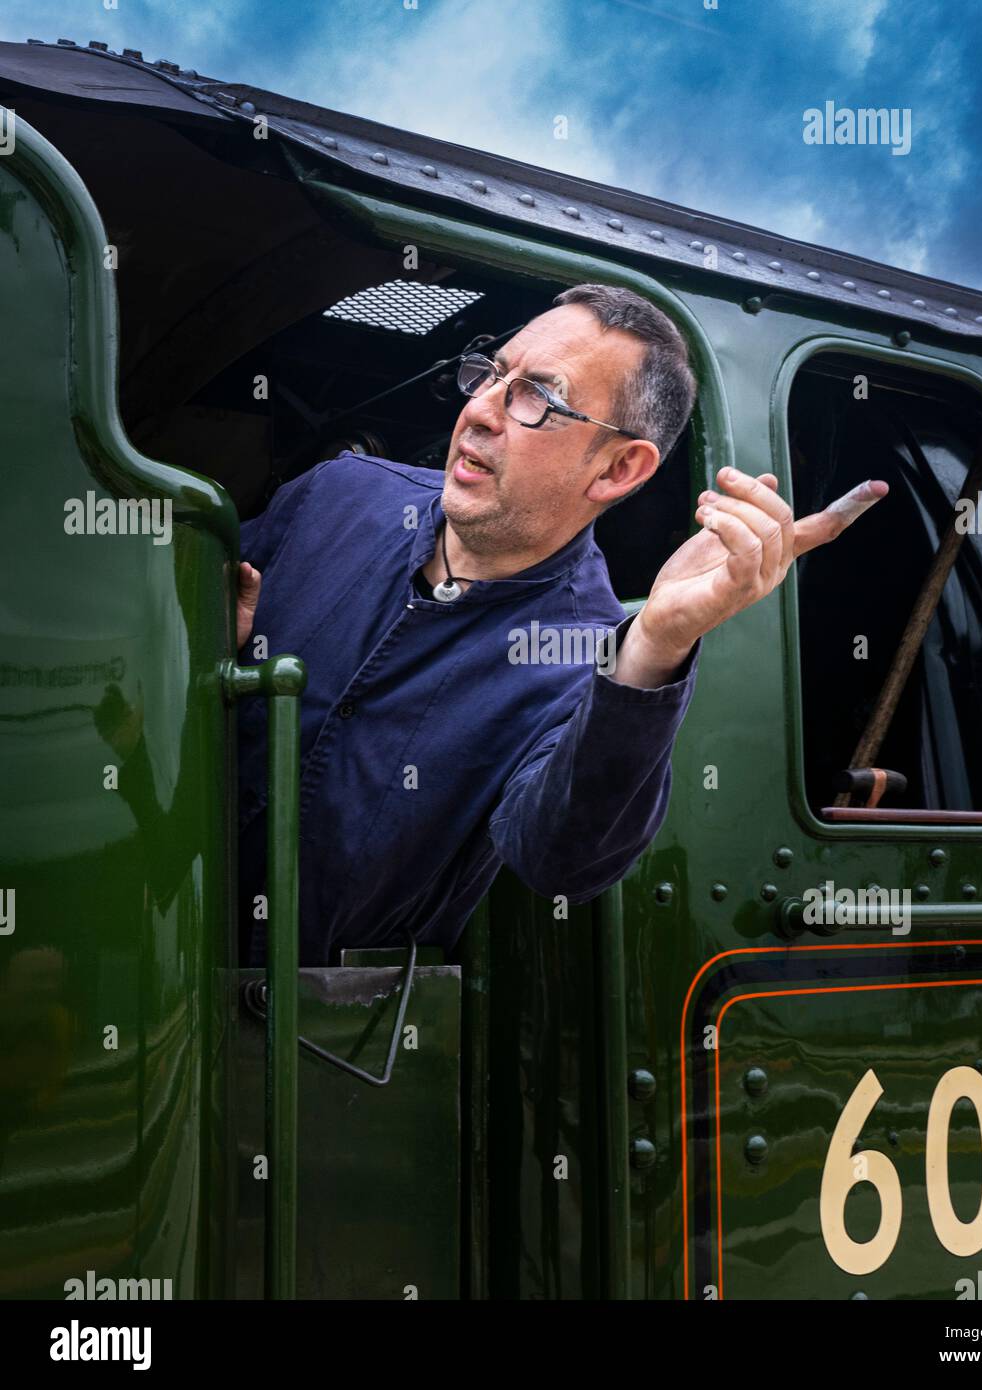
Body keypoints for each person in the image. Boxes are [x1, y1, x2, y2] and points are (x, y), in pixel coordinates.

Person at [235, 283, 885, 965]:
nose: (481, 410)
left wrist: (658, 642)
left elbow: (563, 861)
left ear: (617, 468)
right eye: (492, 373)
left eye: (537, 399)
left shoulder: (581, 659)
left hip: (311, 1042)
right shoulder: (338, 494)